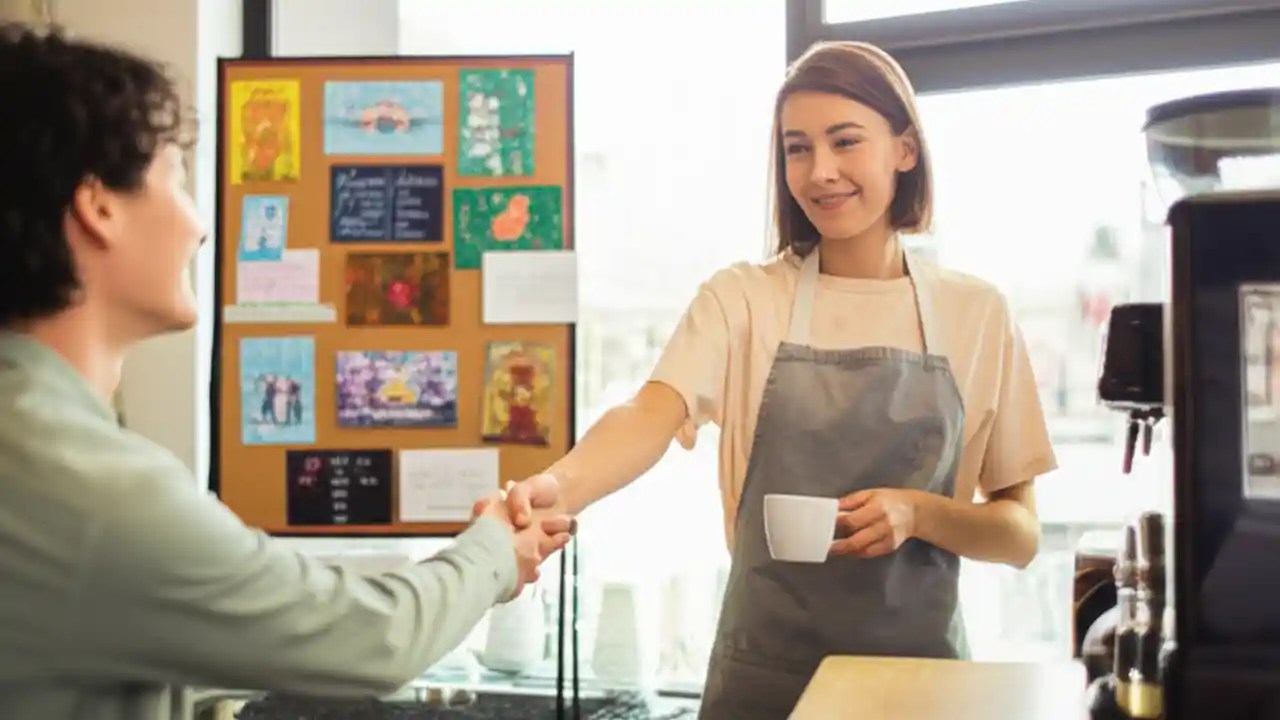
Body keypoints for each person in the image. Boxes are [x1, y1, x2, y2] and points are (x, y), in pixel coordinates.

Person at [0, 23, 570, 720]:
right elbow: (373, 639)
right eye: (176, 180)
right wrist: (493, 553)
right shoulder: (83, 486)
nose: (199, 227)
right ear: (98, 207)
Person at [507, 41, 1057, 717]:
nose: (820, 171)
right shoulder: (743, 299)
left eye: (845, 141)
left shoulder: (977, 314)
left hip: (920, 688)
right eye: (797, 148)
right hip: (763, 682)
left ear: (905, 150)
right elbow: (649, 414)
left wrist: (919, 514)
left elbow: (1020, 533)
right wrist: (554, 490)